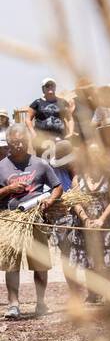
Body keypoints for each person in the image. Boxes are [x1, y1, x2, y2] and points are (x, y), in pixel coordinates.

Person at [0, 125, 63, 318]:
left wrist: (50, 200)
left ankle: (41, 303)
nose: (18, 145)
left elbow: (57, 186)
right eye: (14, 142)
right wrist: (9, 189)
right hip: (12, 219)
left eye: (22, 141)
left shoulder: (40, 164)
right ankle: (13, 304)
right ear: (8, 142)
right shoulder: (1, 165)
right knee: (12, 263)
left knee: (40, 263)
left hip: (36, 218)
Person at [67, 142, 110, 305]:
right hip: (84, 223)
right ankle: (92, 293)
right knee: (87, 259)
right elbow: (75, 200)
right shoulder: (78, 178)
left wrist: (101, 219)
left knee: (105, 260)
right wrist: (85, 219)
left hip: (104, 223)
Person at [27, 77, 70, 152]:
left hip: (60, 137)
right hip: (42, 139)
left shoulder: (63, 102)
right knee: (43, 161)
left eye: (52, 85)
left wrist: (71, 132)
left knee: (61, 160)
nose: (50, 87)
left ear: (55, 87)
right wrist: (33, 133)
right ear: (43, 89)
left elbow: (70, 119)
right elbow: (28, 119)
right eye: (47, 86)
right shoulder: (37, 103)